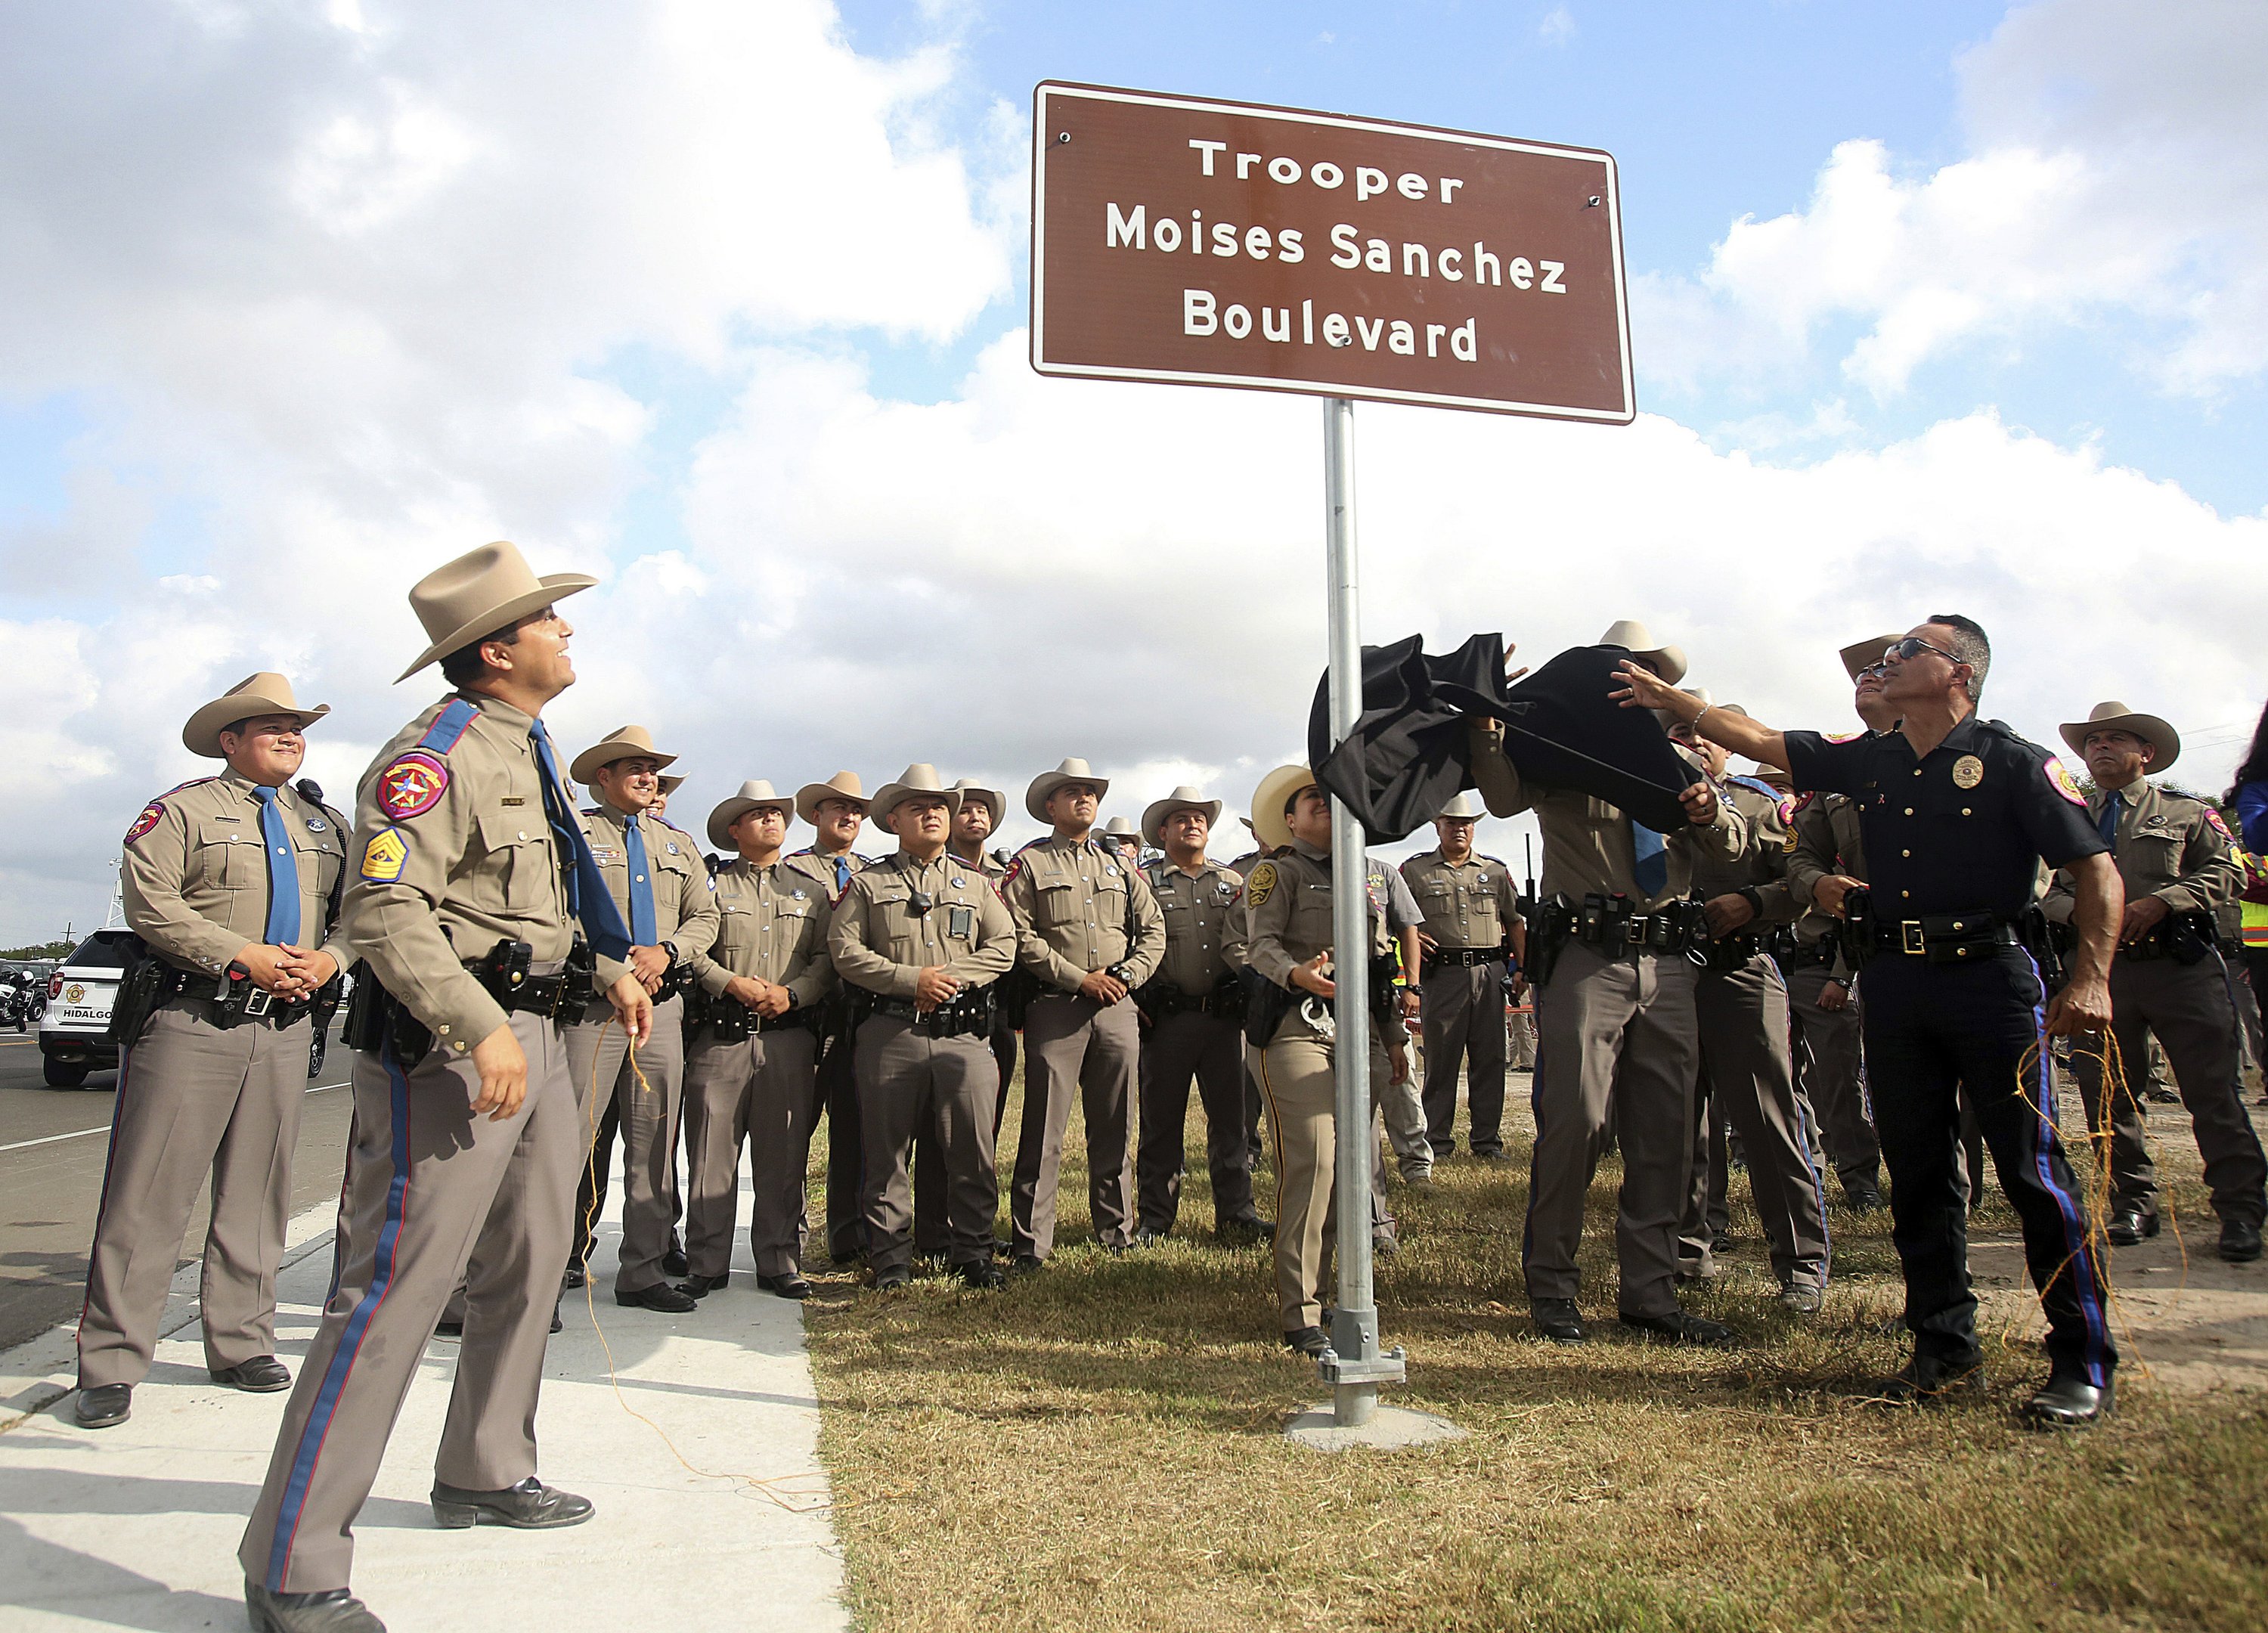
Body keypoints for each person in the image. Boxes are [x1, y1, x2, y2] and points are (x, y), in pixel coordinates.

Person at [240, 540, 652, 1631]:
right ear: (494, 649)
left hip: (541, 1033)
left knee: (529, 1264)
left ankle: (483, 1465)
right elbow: (385, 911)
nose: (566, 632)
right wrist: (477, 1029)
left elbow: (528, 905)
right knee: (391, 1297)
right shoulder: (437, 751)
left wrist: (607, 971)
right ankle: (293, 1563)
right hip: (456, 1050)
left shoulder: (528, 746)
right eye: (546, 620)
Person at [1616, 616, 2121, 1427]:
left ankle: (2082, 1360)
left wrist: (2091, 978)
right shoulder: (1875, 759)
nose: (1887, 663)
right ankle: (1943, 1352)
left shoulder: (2015, 762)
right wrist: (1671, 699)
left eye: (1906, 652)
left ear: (1959, 673)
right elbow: (1767, 741)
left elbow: (2095, 870)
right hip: (1895, 980)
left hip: (1989, 980)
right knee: (1917, 1176)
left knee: (2033, 1175)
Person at [73, 675, 349, 1430]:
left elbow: (360, 910)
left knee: (259, 1189)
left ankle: (241, 1339)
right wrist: (239, 955)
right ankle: (110, 1360)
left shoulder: (326, 824)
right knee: (151, 1191)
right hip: (193, 1018)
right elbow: (150, 903)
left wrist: (331, 961)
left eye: (297, 725)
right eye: (271, 726)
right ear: (230, 739)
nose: (290, 735)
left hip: (286, 1029)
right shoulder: (183, 811)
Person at [1468, 619, 1748, 1347]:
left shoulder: (1684, 765)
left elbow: (1739, 841)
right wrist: (1489, 712)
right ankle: (1553, 1288)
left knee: (1667, 1131)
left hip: (1669, 963)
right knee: (1576, 1123)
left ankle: (1651, 1295)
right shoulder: (1562, 756)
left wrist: (1709, 807)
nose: (1639, 686)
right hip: (1589, 959)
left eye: (1652, 675)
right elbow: (1500, 797)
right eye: (1625, 672)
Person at [2043, 702, 2265, 1263]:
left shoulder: (2185, 812)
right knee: (2107, 1095)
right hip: (2100, 972)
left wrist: (2163, 902)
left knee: (2214, 1092)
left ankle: (2240, 1211)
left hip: (2178, 969)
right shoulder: (2070, 816)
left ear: (2146, 754)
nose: (2101, 749)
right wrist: (2081, 915)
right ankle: (2132, 1203)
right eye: (2094, 742)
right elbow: (2045, 887)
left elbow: (2228, 870)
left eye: (2117, 740)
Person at [1240, 766, 1412, 1356]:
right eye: (1313, 799)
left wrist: (1393, 1037)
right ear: (1289, 820)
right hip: (1292, 1030)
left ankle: (1344, 1293)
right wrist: (1296, 973)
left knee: (1352, 1168)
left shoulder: (1367, 879)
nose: (1325, 806)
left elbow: (1380, 966)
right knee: (1313, 1161)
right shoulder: (1275, 874)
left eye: (1334, 798)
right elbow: (1256, 944)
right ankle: (1301, 1314)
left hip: (1359, 1033)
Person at [1666, 705, 1831, 1313]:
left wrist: (1753, 901)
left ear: (1728, 747)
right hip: (1666, 975)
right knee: (1677, 1119)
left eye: (1706, 735)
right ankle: (1687, 1250)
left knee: (1766, 1118)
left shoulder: (1763, 805)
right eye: (1682, 734)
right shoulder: (1644, 807)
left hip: (1741, 970)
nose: (1695, 743)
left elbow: (1805, 878)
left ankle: (1801, 1261)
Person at [827, 766, 1018, 1289]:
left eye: (939, 805)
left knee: (973, 1151)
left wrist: (949, 979)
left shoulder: (978, 885)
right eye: (918, 806)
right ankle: (890, 1259)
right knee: (886, 1152)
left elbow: (1003, 947)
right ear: (893, 820)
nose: (932, 813)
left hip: (965, 1037)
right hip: (892, 1034)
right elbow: (844, 952)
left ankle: (972, 1253)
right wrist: (911, 980)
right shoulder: (868, 884)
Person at [553, 726, 718, 1313]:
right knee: (566, 1142)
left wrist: (667, 952)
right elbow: (560, 915)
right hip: (592, 1011)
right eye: (634, 769)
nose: (648, 778)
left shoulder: (678, 845)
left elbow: (706, 916)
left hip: (662, 1011)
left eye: (652, 769)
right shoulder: (573, 836)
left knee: (653, 1144)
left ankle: (643, 1272)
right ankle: (548, 1271)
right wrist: (613, 968)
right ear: (603, 777)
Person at [1001, 758, 1166, 1269]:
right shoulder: (1031, 864)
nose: (1084, 799)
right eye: (1072, 792)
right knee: (1044, 1129)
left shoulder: (1118, 865)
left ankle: (1116, 1232)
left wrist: (1127, 978)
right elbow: (1018, 935)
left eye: (1091, 792)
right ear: (1051, 806)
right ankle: (1032, 1241)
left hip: (1117, 1008)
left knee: (1116, 1125)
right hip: (1056, 1007)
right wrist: (1078, 978)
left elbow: (1154, 930)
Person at [679, 780, 835, 1300]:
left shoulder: (811, 890)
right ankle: (706, 1262)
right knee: (709, 1158)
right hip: (719, 1039)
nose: (771, 821)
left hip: (787, 1041)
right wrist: (730, 983)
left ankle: (779, 1260)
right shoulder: (709, 886)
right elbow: (690, 947)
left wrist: (794, 995)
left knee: (784, 1156)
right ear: (733, 830)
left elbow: (826, 962)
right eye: (758, 814)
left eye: (777, 813)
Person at [1777, 636, 1901, 1212]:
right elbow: (1801, 855)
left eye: (1885, 667)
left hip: (1958, 954)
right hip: (1861, 954)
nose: (1867, 678)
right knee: (1842, 1081)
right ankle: (1862, 1179)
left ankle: (1953, 1187)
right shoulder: (1839, 774)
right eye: (1862, 672)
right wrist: (1817, 883)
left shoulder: (1983, 761)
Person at [1132, 786, 1267, 1245]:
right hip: (1167, 1019)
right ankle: (1155, 1218)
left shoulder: (1233, 883)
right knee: (1161, 1123)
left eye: (1200, 819)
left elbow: (1251, 940)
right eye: (1183, 819)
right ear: (1163, 831)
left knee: (1232, 1120)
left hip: (1224, 1019)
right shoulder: (1144, 883)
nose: (1193, 825)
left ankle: (1237, 1214)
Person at [1399, 792, 1522, 1161]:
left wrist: (1522, 968)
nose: (1459, 830)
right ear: (1437, 826)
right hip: (1443, 977)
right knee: (1442, 1061)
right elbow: (1394, 915)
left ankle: (1487, 1142)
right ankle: (1437, 1141)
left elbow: (1515, 922)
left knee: (1490, 1060)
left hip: (1489, 973)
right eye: (1451, 823)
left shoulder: (1496, 872)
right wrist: (1412, 936)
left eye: (1465, 824)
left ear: (1474, 828)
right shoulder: (1416, 871)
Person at [784, 771, 874, 1264]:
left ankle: (848, 1237)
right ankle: (786, 1239)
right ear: (815, 815)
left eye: (857, 810)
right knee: (795, 1131)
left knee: (854, 1131)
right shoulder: (792, 872)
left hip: (859, 1019)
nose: (849, 816)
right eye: (838, 807)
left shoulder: (875, 873)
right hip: (804, 1018)